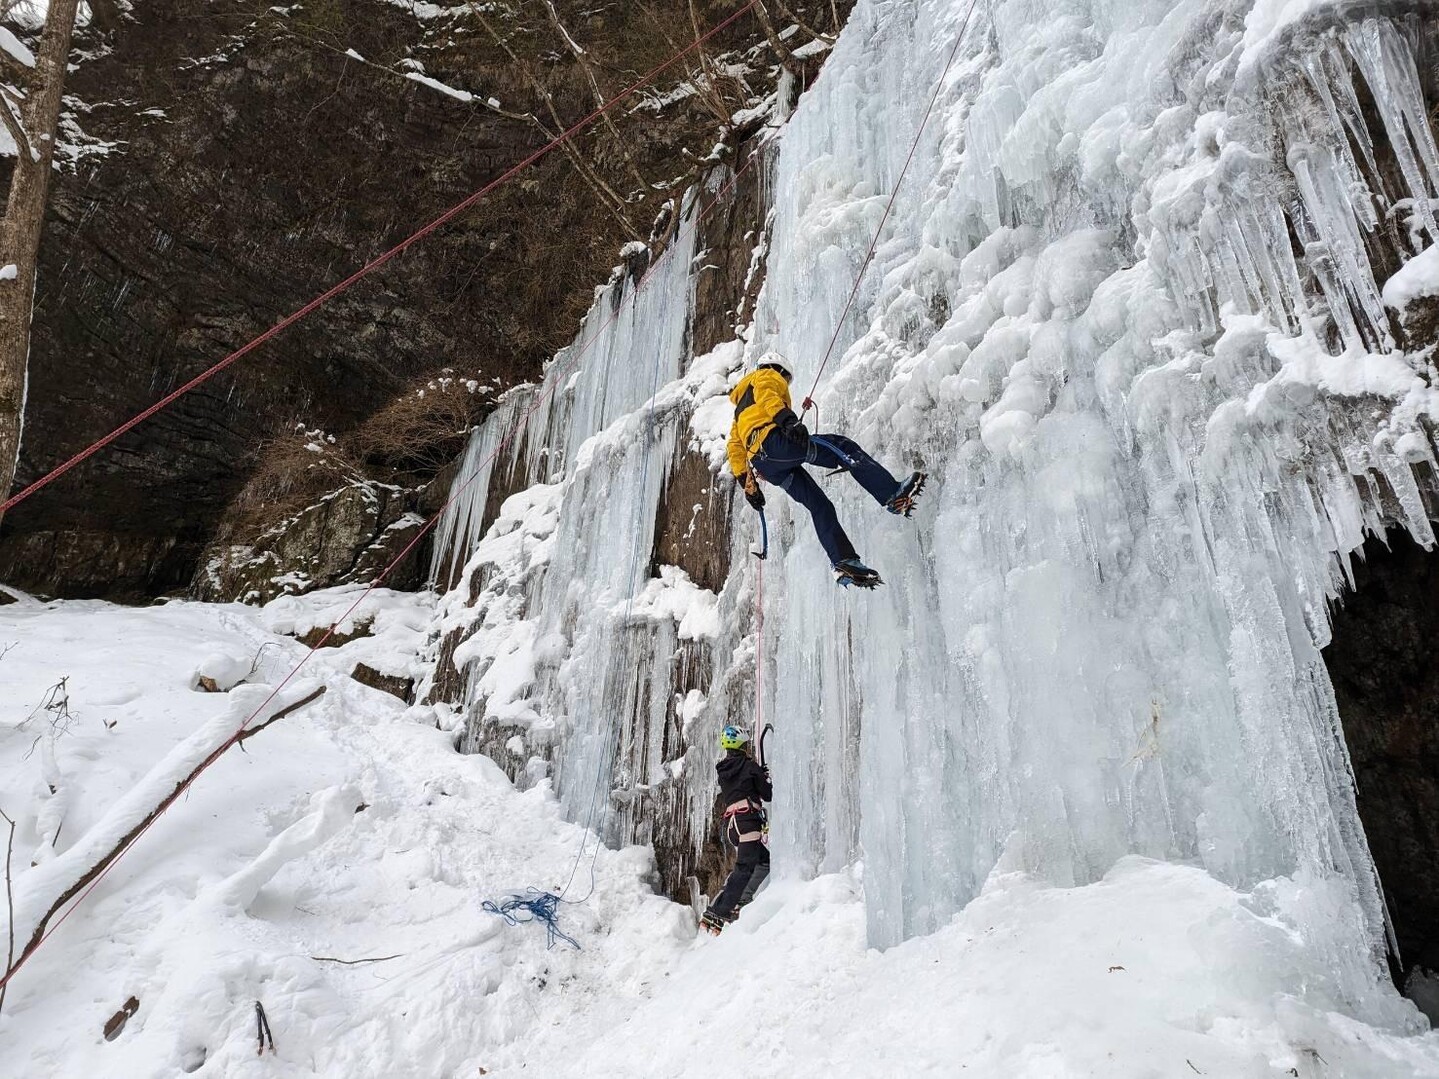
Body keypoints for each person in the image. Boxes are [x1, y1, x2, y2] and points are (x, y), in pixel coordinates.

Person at [725, 352, 925, 588]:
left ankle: (843, 561)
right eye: (787, 379)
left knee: (819, 505)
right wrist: (788, 421)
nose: (786, 384)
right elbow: (768, 396)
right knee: (842, 447)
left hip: (766, 465)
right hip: (777, 444)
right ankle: (893, 495)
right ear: (779, 370)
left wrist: (749, 488)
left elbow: (734, 448)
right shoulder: (766, 375)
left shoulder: (740, 410)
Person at [701, 725, 772, 935]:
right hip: (747, 822)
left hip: (731, 826)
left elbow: (743, 785)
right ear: (743, 744)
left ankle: (737, 900)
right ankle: (720, 910)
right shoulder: (750, 766)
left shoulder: (724, 770)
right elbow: (767, 794)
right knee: (744, 868)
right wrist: (763, 776)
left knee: (763, 862)